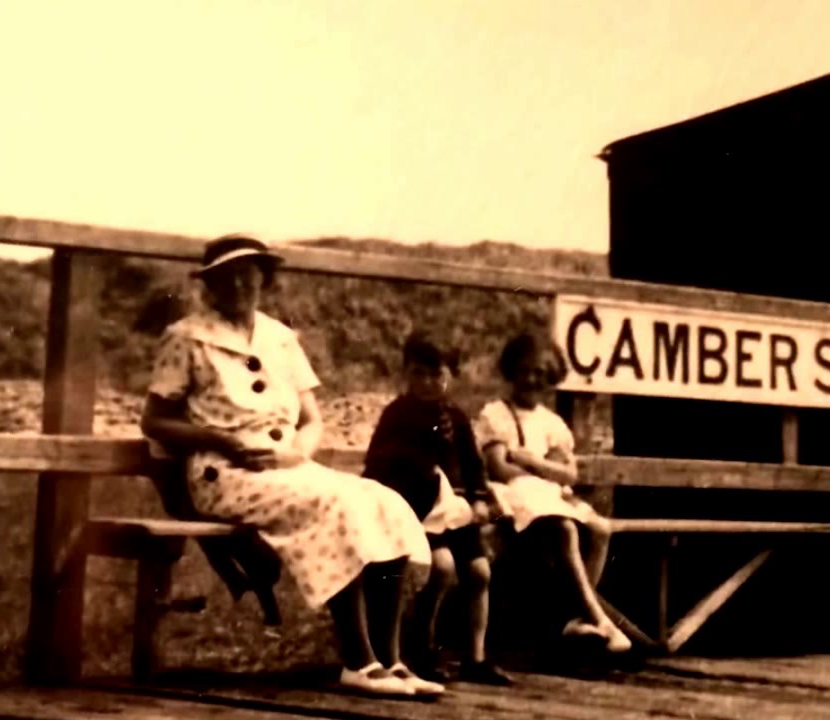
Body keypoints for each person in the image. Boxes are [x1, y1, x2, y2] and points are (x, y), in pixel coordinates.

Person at [140, 234, 441, 697]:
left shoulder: (280, 338)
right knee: (336, 504)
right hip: (223, 473)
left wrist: (297, 451)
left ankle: (391, 659)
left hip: (286, 465)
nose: (241, 284)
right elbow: (155, 421)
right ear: (211, 285)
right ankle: (358, 661)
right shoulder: (186, 338)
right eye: (228, 276)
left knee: (385, 501)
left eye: (250, 274)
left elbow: (312, 419)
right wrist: (219, 439)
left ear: (265, 278)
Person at [362, 331, 513, 686]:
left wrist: (477, 497)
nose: (428, 383)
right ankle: (422, 645)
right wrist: (416, 465)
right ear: (405, 374)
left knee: (479, 571)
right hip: (416, 510)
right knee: (441, 567)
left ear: (451, 377)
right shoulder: (397, 414)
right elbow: (377, 462)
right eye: (418, 374)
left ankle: (476, 656)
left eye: (437, 374)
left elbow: (474, 463)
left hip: (455, 510)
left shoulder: (456, 417)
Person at [475, 331, 631, 653]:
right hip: (512, 496)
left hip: (545, 493)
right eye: (525, 372)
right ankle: (596, 617)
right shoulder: (497, 414)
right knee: (564, 528)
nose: (531, 380)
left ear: (550, 378)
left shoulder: (552, 423)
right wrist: (546, 471)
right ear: (512, 372)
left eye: (540, 374)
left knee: (601, 529)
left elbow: (568, 473)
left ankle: (575, 617)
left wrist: (530, 460)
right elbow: (499, 469)